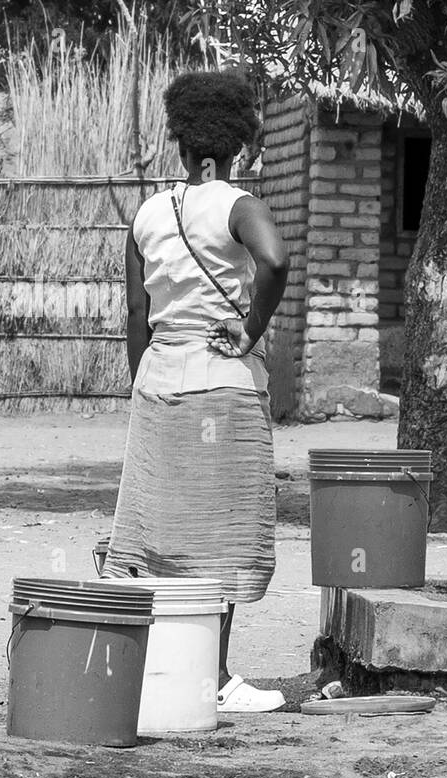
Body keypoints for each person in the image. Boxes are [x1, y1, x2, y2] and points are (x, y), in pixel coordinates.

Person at [103, 71, 290, 713]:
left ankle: (158, 667)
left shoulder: (147, 214)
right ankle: (213, 675)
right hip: (224, 384)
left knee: (160, 530)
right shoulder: (240, 206)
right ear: (234, 146)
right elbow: (276, 260)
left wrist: (144, 387)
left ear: (182, 145)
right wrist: (252, 326)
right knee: (224, 530)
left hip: (158, 382)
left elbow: (136, 314)